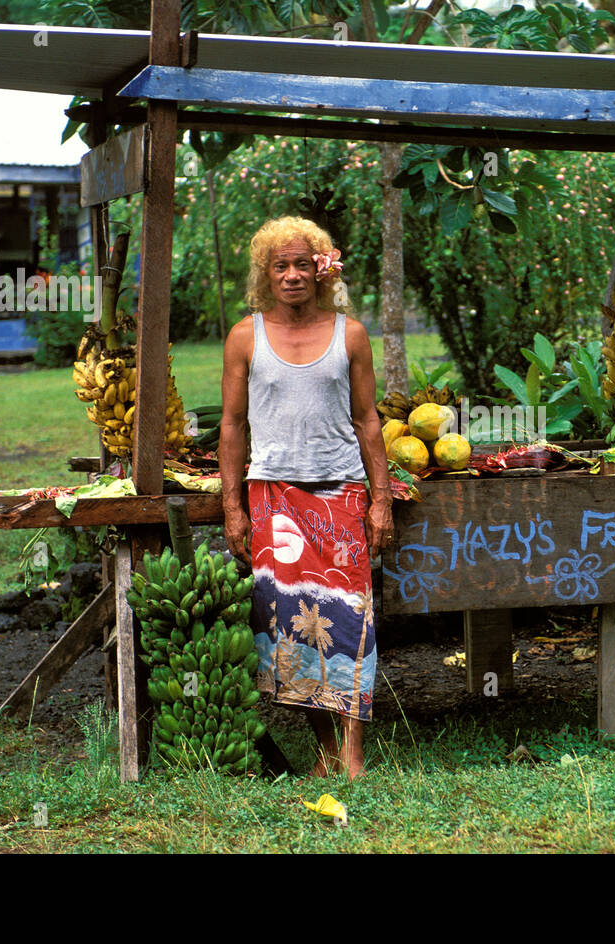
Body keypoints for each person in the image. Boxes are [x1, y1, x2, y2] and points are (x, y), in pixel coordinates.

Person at [220, 216, 393, 781]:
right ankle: (322, 751)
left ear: (323, 270)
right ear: (265, 275)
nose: (292, 275)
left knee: (349, 623)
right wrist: (232, 508)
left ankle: (352, 755)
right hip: (275, 500)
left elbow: (369, 420)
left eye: (302, 264)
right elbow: (231, 425)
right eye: (280, 266)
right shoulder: (245, 337)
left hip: (340, 494)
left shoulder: (351, 335)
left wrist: (380, 500)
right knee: (291, 627)